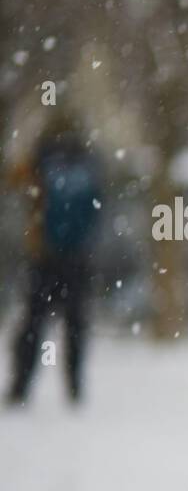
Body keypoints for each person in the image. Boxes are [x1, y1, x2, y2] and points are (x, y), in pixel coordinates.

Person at [5, 109, 102, 407]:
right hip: (78, 257)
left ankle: (22, 385)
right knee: (75, 326)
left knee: (34, 324)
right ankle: (74, 387)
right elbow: (97, 209)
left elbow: (15, 183)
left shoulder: (41, 159)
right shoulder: (88, 162)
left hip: (45, 256)